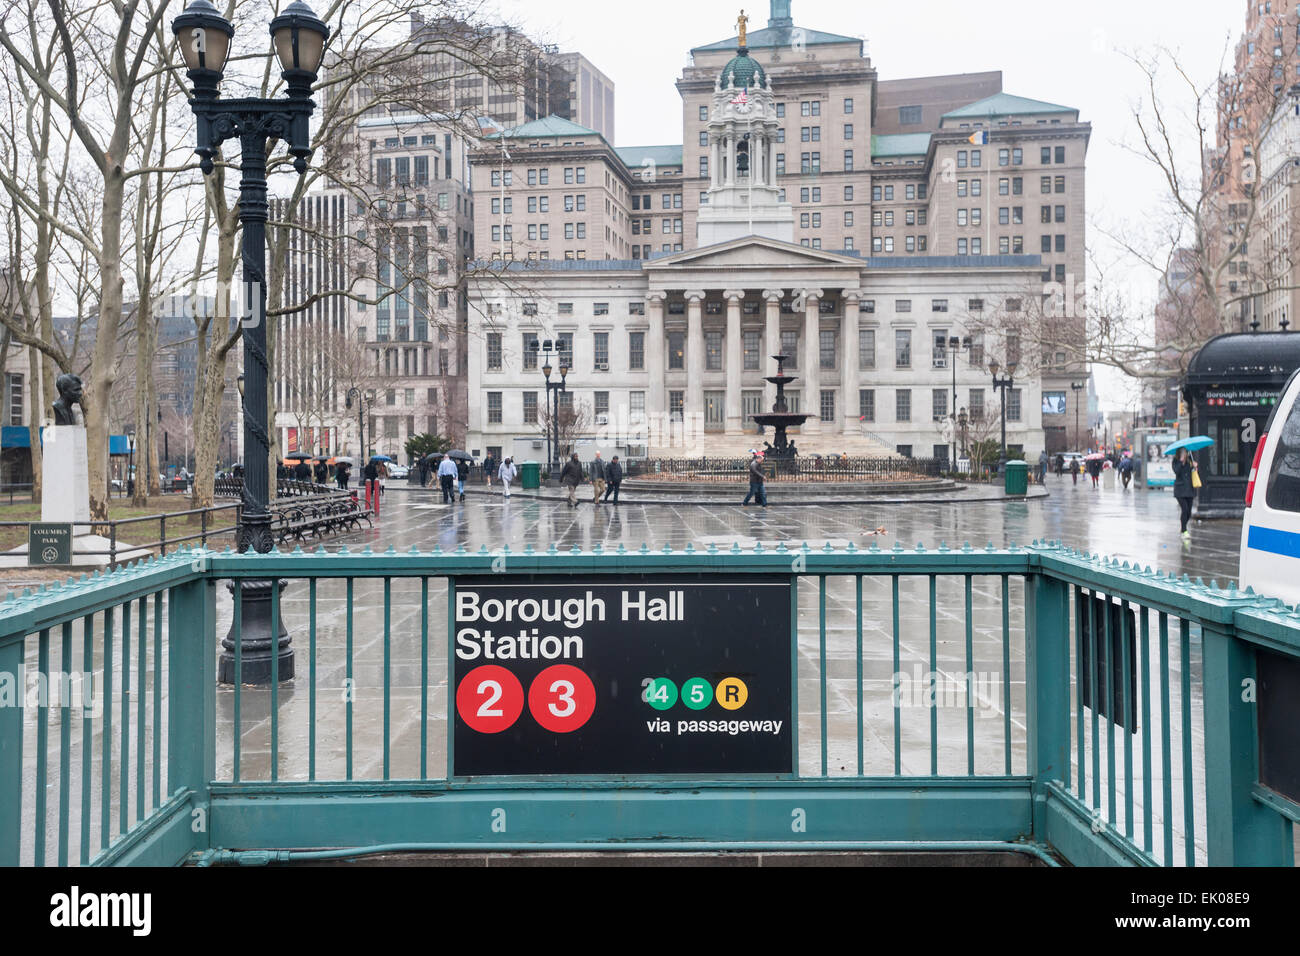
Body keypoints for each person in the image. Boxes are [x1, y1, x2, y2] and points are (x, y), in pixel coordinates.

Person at [1172, 449, 1198, 540]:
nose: (1184, 454)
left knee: (1189, 512)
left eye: (1185, 452)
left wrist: (1195, 467)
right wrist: (1180, 462)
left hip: (1189, 489)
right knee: (1184, 509)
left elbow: (1193, 472)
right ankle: (1184, 530)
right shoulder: (1175, 461)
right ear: (1179, 453)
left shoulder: (1190, 461)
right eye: (1182, 452)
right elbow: (1176, 471)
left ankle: (1183, 527)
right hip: (1180, 490)